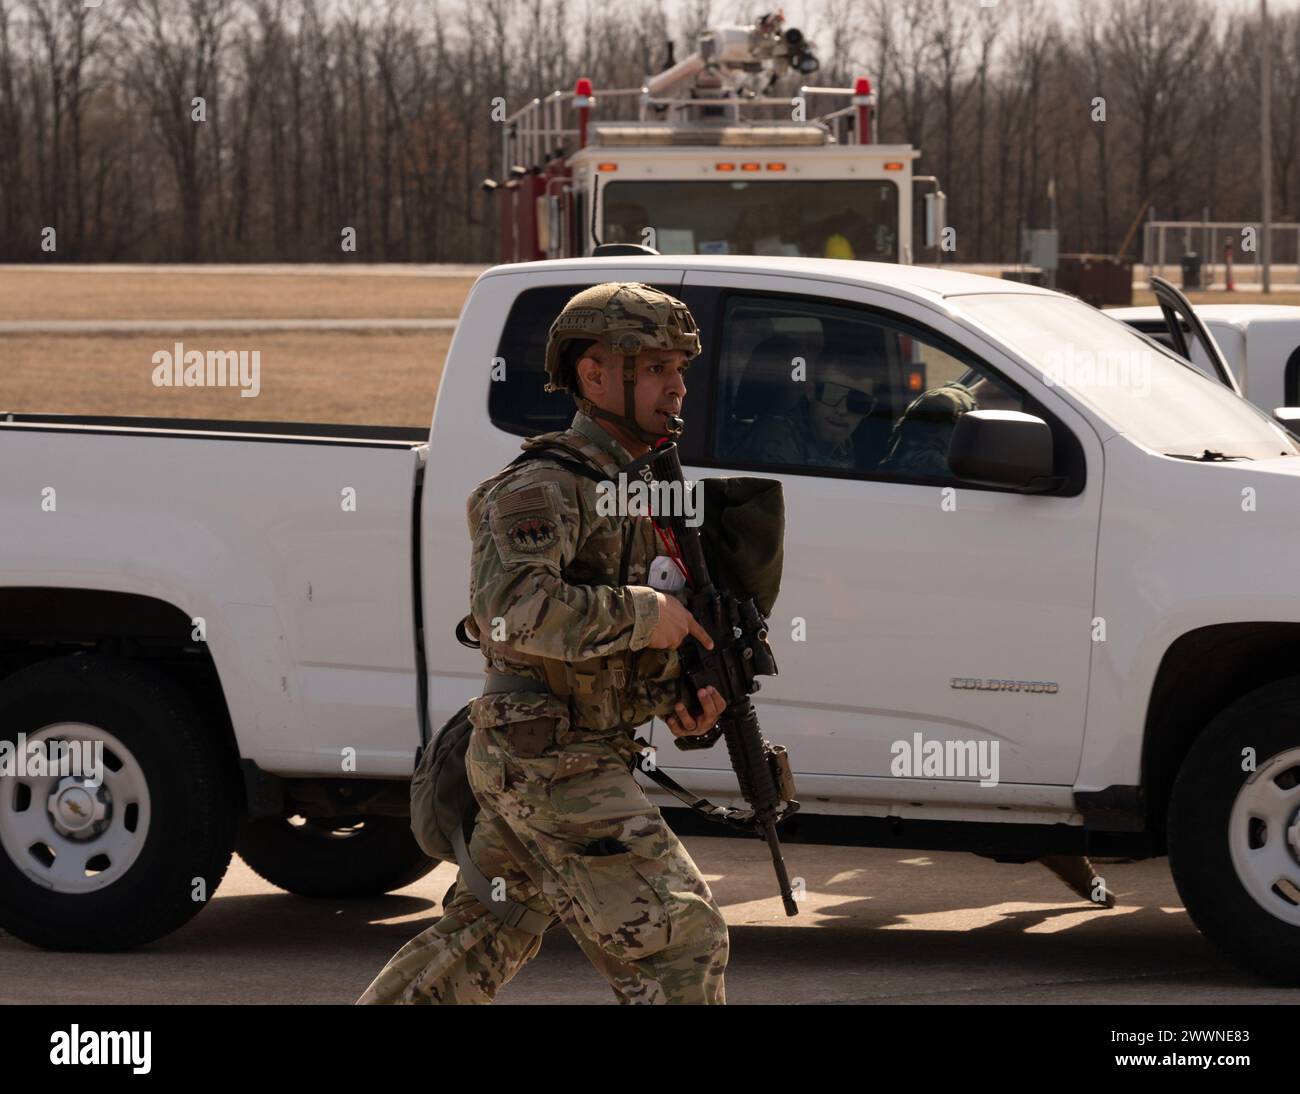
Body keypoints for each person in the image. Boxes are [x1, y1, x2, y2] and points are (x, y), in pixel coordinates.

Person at [356, 282, 731, 1005]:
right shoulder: (543, 488)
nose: (677, 386)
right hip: (549, 757)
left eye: (681, 368)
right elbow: (507, 612)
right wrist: (645, 613)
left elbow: (605, 653)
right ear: (595, 375)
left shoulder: (637, 489)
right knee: (679, 941)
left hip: (564, 750)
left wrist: (679, 702)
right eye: (656, 368)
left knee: (484, 933)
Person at [729, 353, 876, 470]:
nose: (842, 410)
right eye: (832, 393)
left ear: (870, 408)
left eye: (857, 402)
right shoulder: (775, 437)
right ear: (811, 392)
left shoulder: (843, 444)